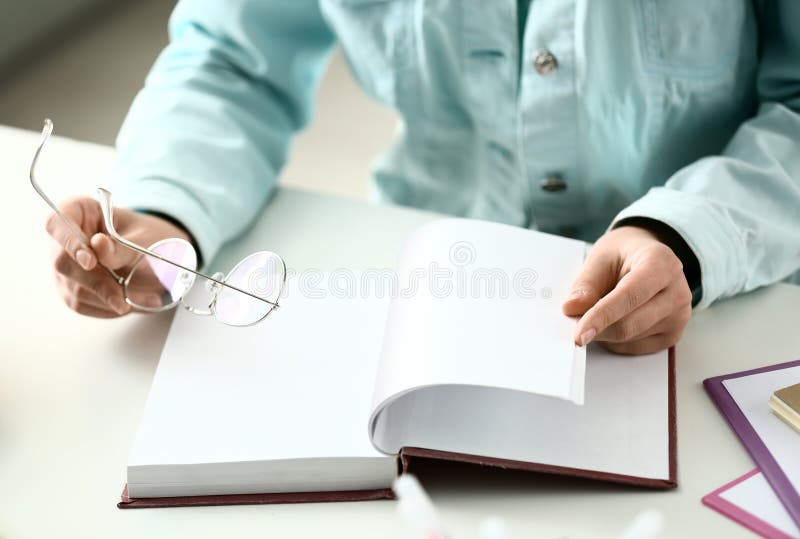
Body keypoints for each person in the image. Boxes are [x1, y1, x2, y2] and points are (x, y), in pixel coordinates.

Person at [45, 1, 800, 354]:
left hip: (725, 302)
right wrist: (164, 205)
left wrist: (686, 231)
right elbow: (230, 59)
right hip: (412, 288)